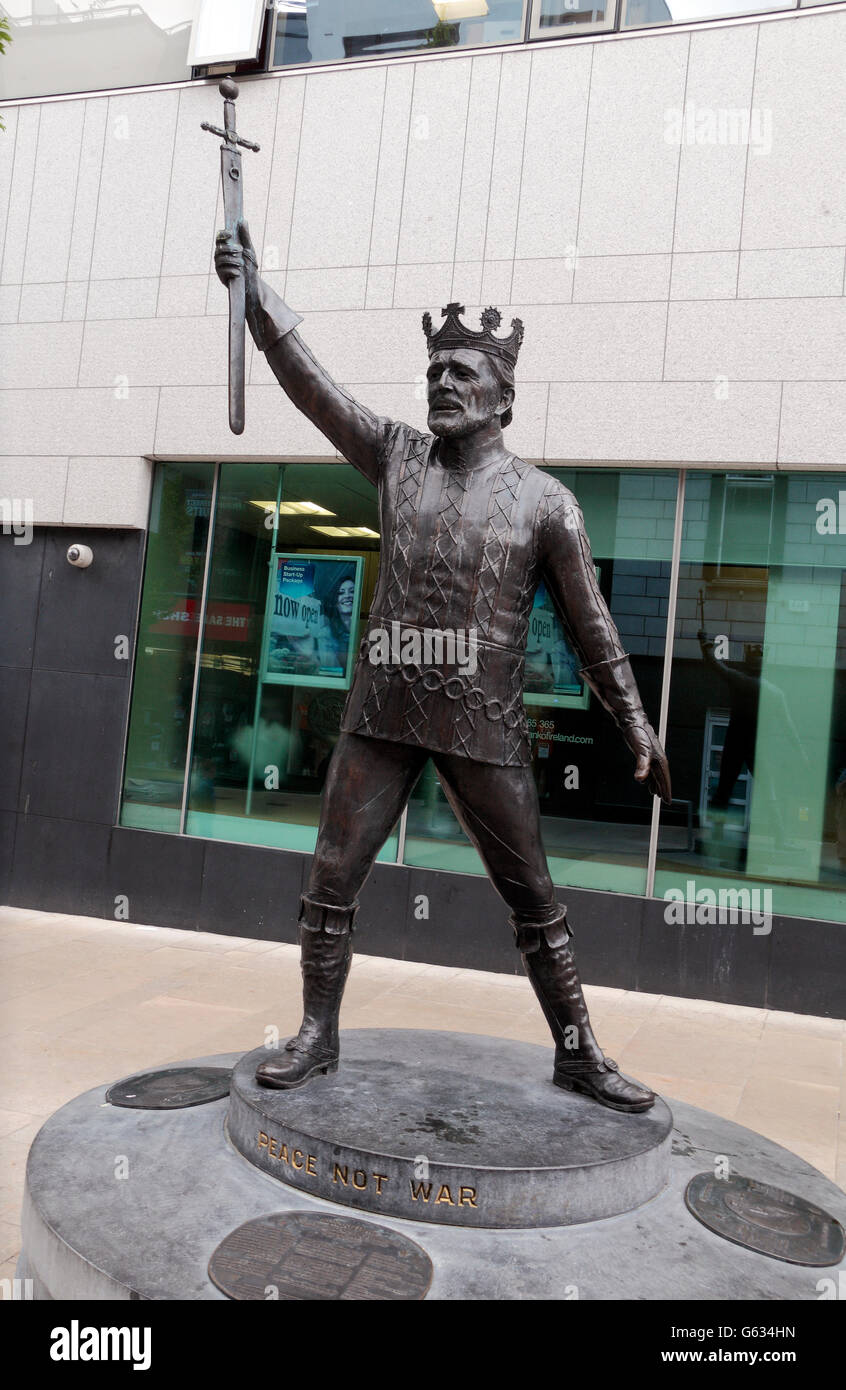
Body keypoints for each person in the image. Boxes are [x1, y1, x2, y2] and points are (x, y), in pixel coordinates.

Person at [215, 222, 671, 1113]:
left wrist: (635, 724)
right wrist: (256, 295)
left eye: (464, 374)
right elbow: (315, 387)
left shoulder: (549, 503)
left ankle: (577, 1050)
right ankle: (317, 1031)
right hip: (382, 709)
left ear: (504, 397)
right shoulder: (395, 455)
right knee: (330, 879)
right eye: (435, 372)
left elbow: (595, 630)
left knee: (535, 897)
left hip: (484, 724)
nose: (443, 385)